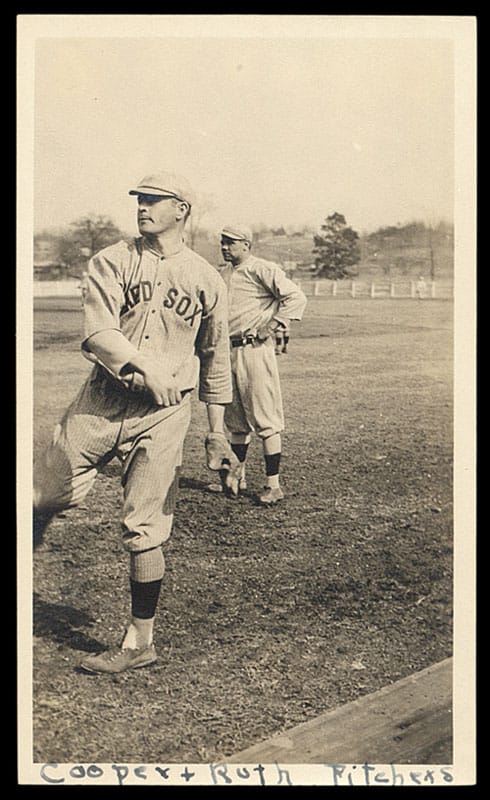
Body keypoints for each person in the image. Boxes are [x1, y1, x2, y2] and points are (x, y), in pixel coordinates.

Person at [33, 170, 236, 674]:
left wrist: (216, 432)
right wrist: (145, 367)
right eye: (140, 199)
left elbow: (215, 360)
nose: (142, 206)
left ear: (181, 210)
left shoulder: (207, 279)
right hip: (101, 401)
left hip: (164, 415)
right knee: (41, 494)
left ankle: (139, 642)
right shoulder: (112, 260)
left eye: (153, 199)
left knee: (145, 528)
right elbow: (98, 332)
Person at [215, 224, 307, 505]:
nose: (225, 247)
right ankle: (237, 477)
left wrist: (272, 326)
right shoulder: (223, 273)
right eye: (223, 242)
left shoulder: (261, 269)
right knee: (236, 421)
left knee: (266, 418)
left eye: (231, 242)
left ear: (246, 244)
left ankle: (273, 485)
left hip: (255, 349)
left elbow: (296, 297)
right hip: (228, 350)